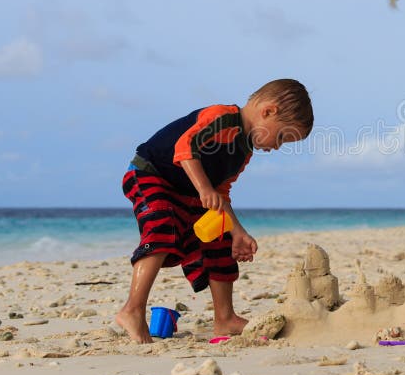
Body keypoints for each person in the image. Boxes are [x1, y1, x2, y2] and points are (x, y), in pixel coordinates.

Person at [116, 79, 313, 343]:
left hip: (189, 190)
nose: (277, 147)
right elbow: (185, 149)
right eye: (280, 137)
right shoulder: (221, 118)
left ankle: (225, 318)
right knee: (161, 227)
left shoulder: (243, 152)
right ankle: (132, 309)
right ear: (268, 111)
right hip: (150, 174)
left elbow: (221, 193)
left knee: (220, 238)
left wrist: (238, 231)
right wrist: (204, 188)